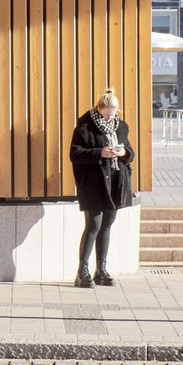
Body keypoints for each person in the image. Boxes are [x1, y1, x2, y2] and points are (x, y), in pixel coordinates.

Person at [69, 88, 135, 288]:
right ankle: (82, 271)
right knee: (93, 225)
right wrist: (100, 153)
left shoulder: (121, 127)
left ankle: (101, 269)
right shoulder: (84, 127)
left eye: (113, 114)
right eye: (106, 114)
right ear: (98, 109)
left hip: (115, 181)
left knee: (107, 225)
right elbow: (75, 154)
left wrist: (122, 152)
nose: (109, 118)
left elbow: (130, 154)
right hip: (93, 183)